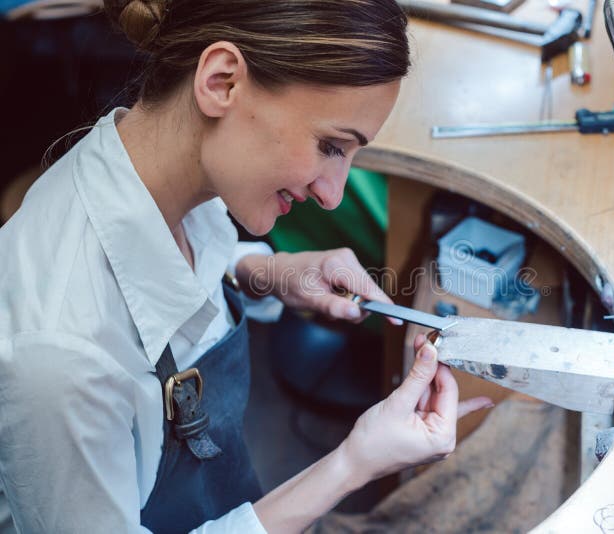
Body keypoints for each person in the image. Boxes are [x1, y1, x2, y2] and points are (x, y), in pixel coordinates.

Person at [0, 1, 494, 532]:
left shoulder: (162, 167)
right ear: (222, 82)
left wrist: (267, 272)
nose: (333, 196)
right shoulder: (62, 357)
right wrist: (352, 464)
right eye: (330, 145)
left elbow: (164, 273)